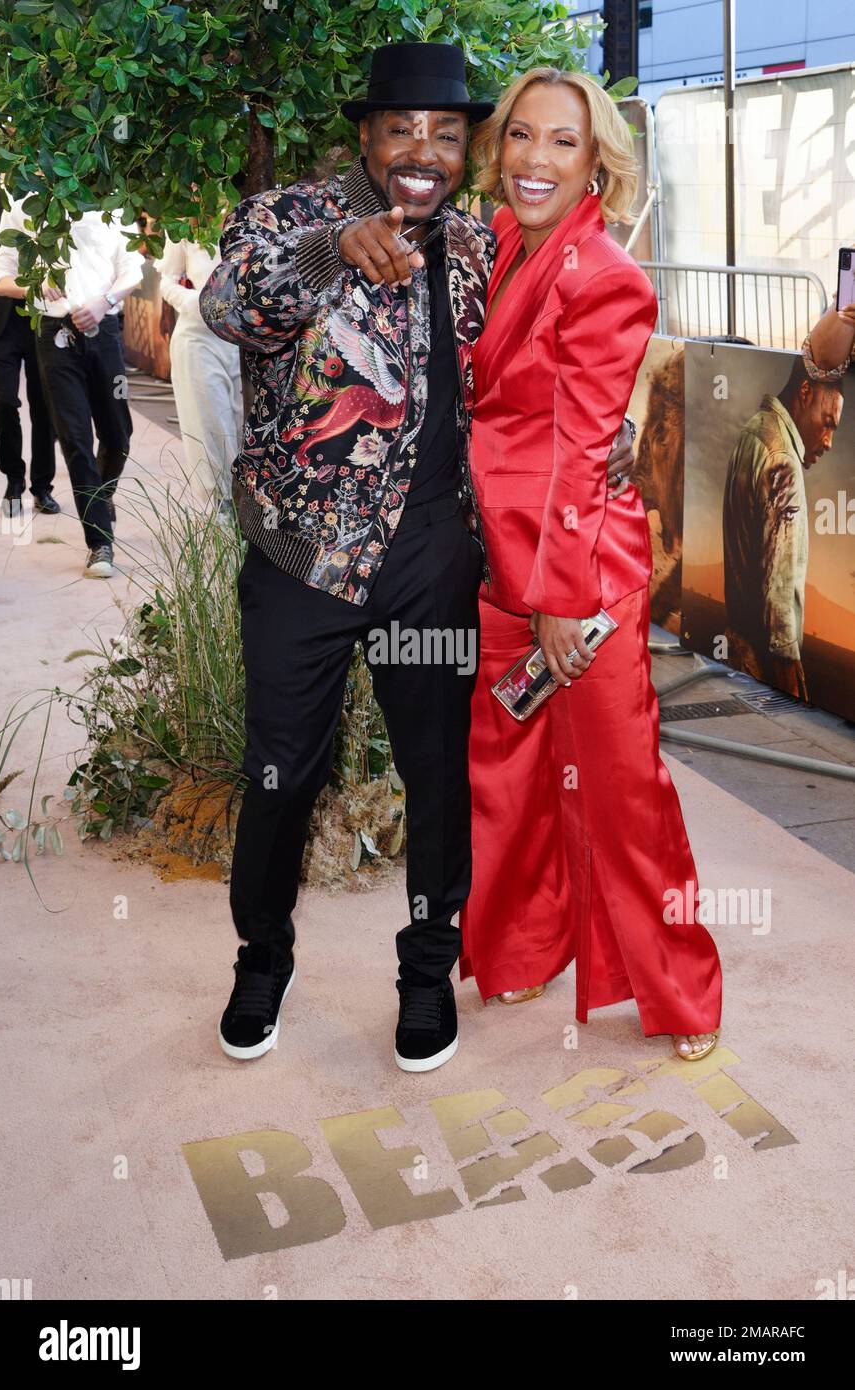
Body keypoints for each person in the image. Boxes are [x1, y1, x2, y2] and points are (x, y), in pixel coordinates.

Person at [200, 41, 638, 1072]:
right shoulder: (287, 218)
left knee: (437, 774)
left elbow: (531, 380)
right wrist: (333, 253)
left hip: (429, 560)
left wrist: (604, 430)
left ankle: (425, 971)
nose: (423, 152)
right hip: (300, 554)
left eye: (446, 136)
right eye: (402, 129)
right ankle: (261, 959)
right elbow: (227, 305)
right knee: (279, 775)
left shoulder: (482, 248)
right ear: (365, 134)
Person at [457, 67, 723, 1062]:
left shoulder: (605, 274)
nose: (534, 159)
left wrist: (562, 596)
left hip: (578, 571)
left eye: (560, 143)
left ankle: (680, 990)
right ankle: (522, 946)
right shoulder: (486, 246)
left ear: (594, 163)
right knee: (511, 770)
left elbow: (580, 440)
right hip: (497, 561)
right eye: (520, 136)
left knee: (621, 785)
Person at [0, 201, 144, 577]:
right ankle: (99, 543)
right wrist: (36, 286)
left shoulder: (112, 201)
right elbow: (0, 278)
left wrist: (105, 301)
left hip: (105, 331)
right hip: (52, 335)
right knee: (75, 440)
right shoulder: (23, 204)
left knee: (119, 434)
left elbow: (133, 271)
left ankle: (102, 495)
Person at [723, 360, 842, 700]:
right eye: (828, 422)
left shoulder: (754, 430)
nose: (829, 441)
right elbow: (780, 582)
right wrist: (788, 670)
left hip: (737, 651)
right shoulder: (782, 460)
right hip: (763, 663)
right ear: (805, 392)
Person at [154, 227, 242, 510]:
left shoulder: (260, 207)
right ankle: (218, 528)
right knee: (210, 432)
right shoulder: (185, 220)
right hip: (200, 338)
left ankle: (248, 532)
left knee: (243, 434)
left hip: (250, 344)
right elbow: (166, 281)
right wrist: (196, 303)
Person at [0, 184, 57, 516]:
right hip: (1, 315)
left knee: (45, 406)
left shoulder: (50, 193)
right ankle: (13, 480)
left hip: (44, 315)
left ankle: (42, 487)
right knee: (4, 402)